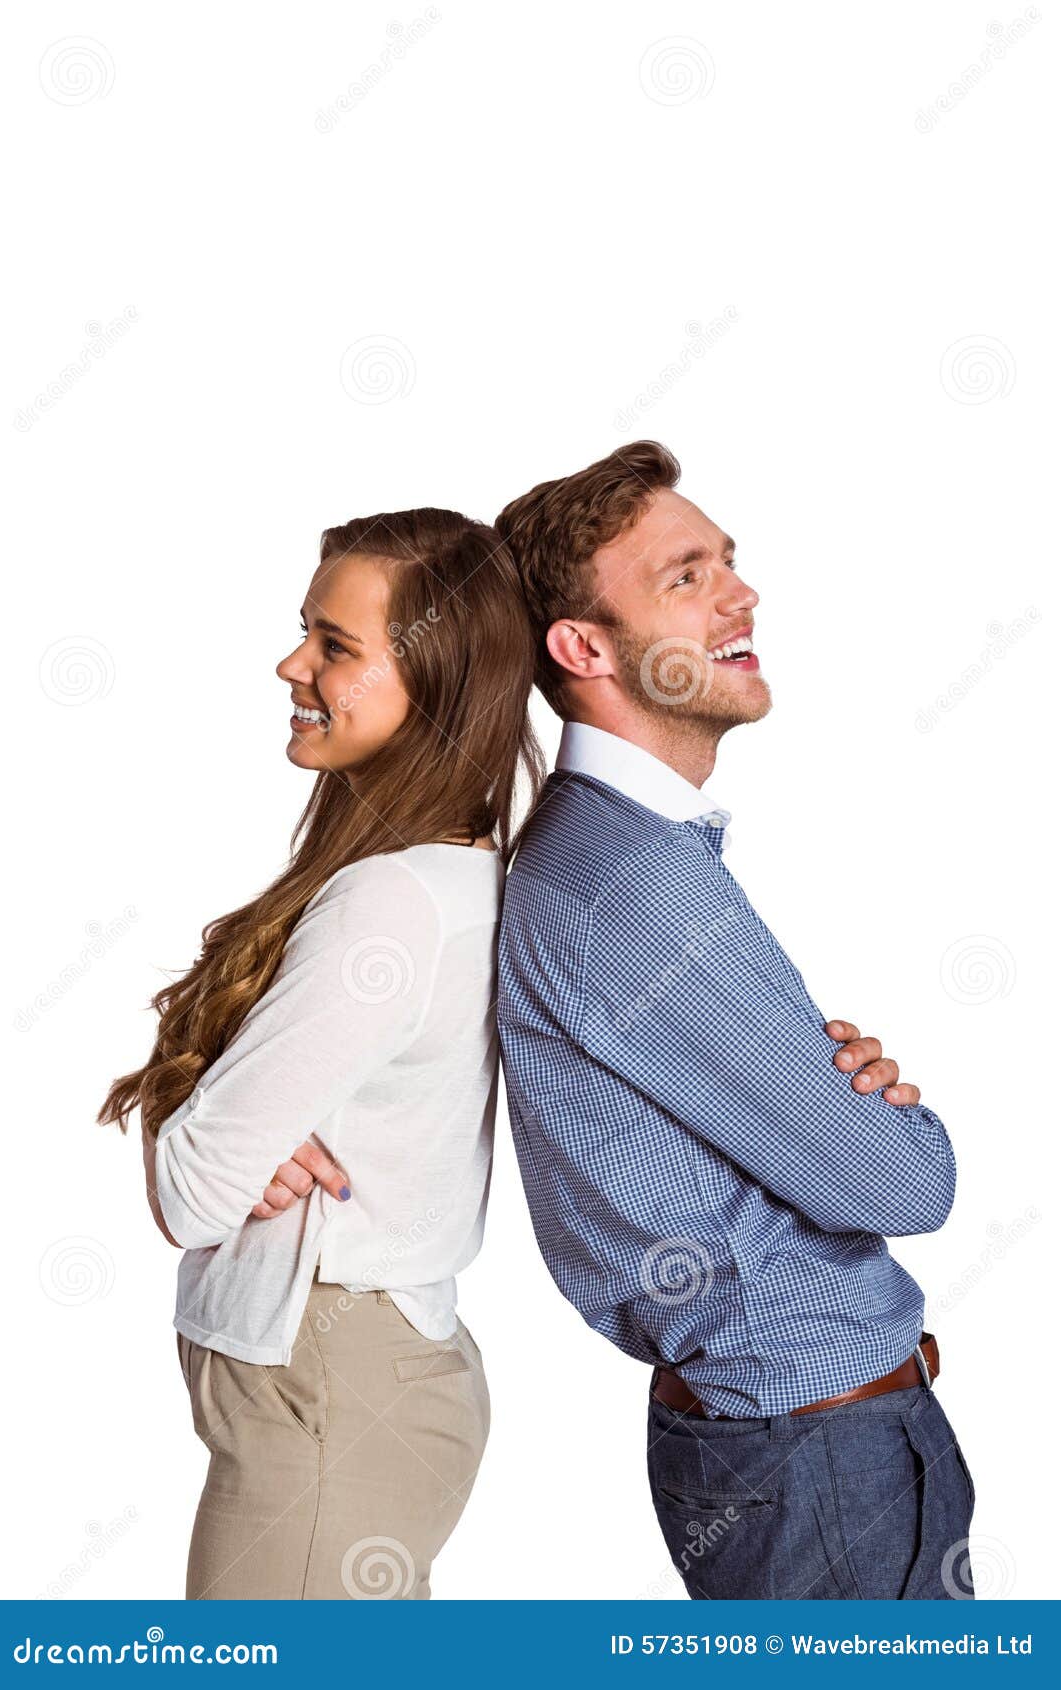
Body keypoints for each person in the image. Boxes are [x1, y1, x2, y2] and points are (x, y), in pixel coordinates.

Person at [494, 441, 975, 1601]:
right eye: (685, 576)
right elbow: (906, 1187)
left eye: (728, 564)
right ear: (583, 649)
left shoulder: (624, 858)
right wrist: (874, 1118)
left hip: (799, 1449)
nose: (738, 593)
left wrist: (828, 1091)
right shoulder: (633, 885)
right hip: (819, 1459)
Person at [99, 508, 543, 1600]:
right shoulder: (430, 877)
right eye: (306, 630)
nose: (290, 663)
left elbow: (197, 1190)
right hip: (347, 1396)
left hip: (330, 1399)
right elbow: (220, 1155)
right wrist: (217, 1104)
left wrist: (198, 1112)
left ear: (432, 681)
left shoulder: (389, 904)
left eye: (334, 646)